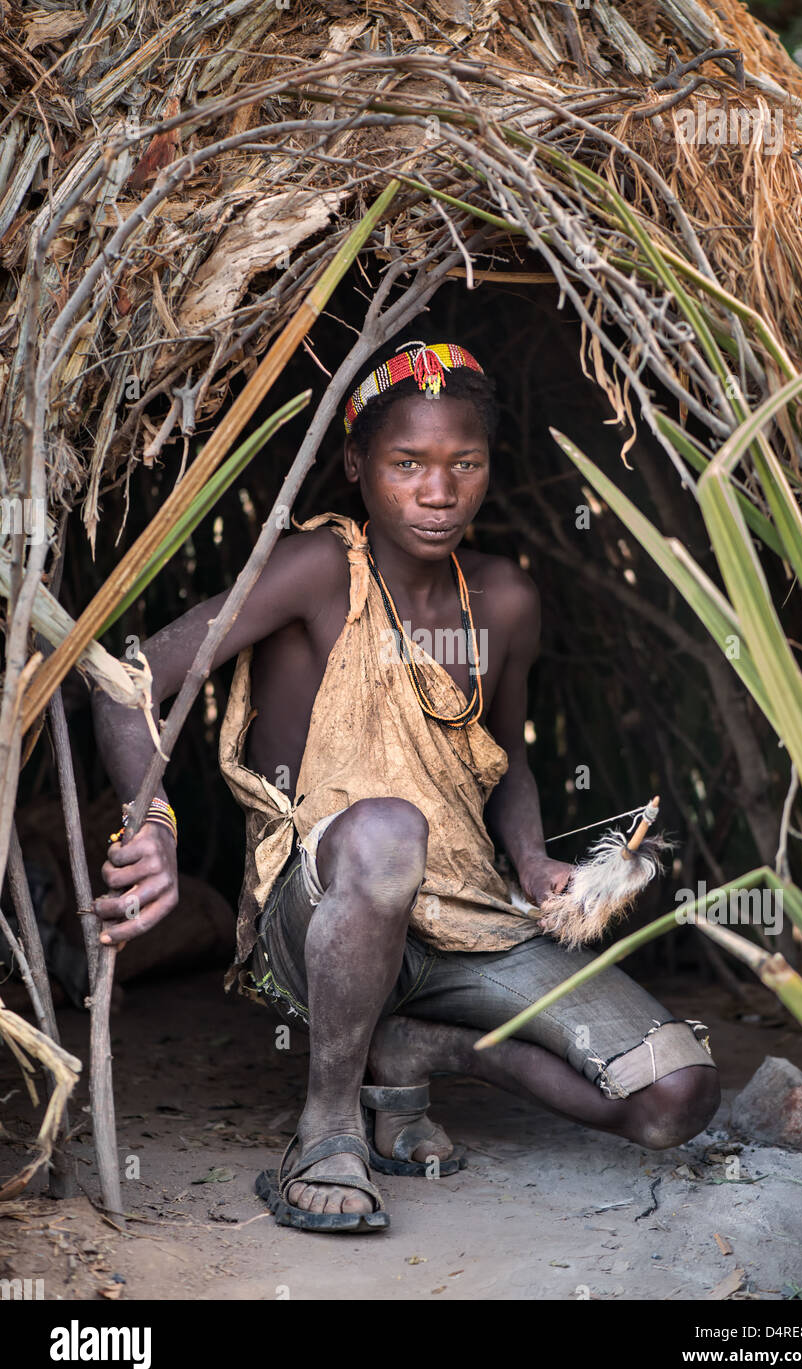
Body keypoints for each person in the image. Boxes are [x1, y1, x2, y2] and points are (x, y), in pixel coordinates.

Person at [92, 340, 719, 1234]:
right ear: (357, 466)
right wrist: (148, 821)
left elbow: (506, 759)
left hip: (466, 919)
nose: (438, 491)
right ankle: (327, 1126)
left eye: (465, 464)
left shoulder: (502, 600)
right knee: (387, 832)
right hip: (318, 916)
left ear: (488, 469)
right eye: (407, 465)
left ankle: (431, 1047)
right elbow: (128, 686)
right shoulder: (315, 571)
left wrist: (535, 862)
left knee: (675, 1095)